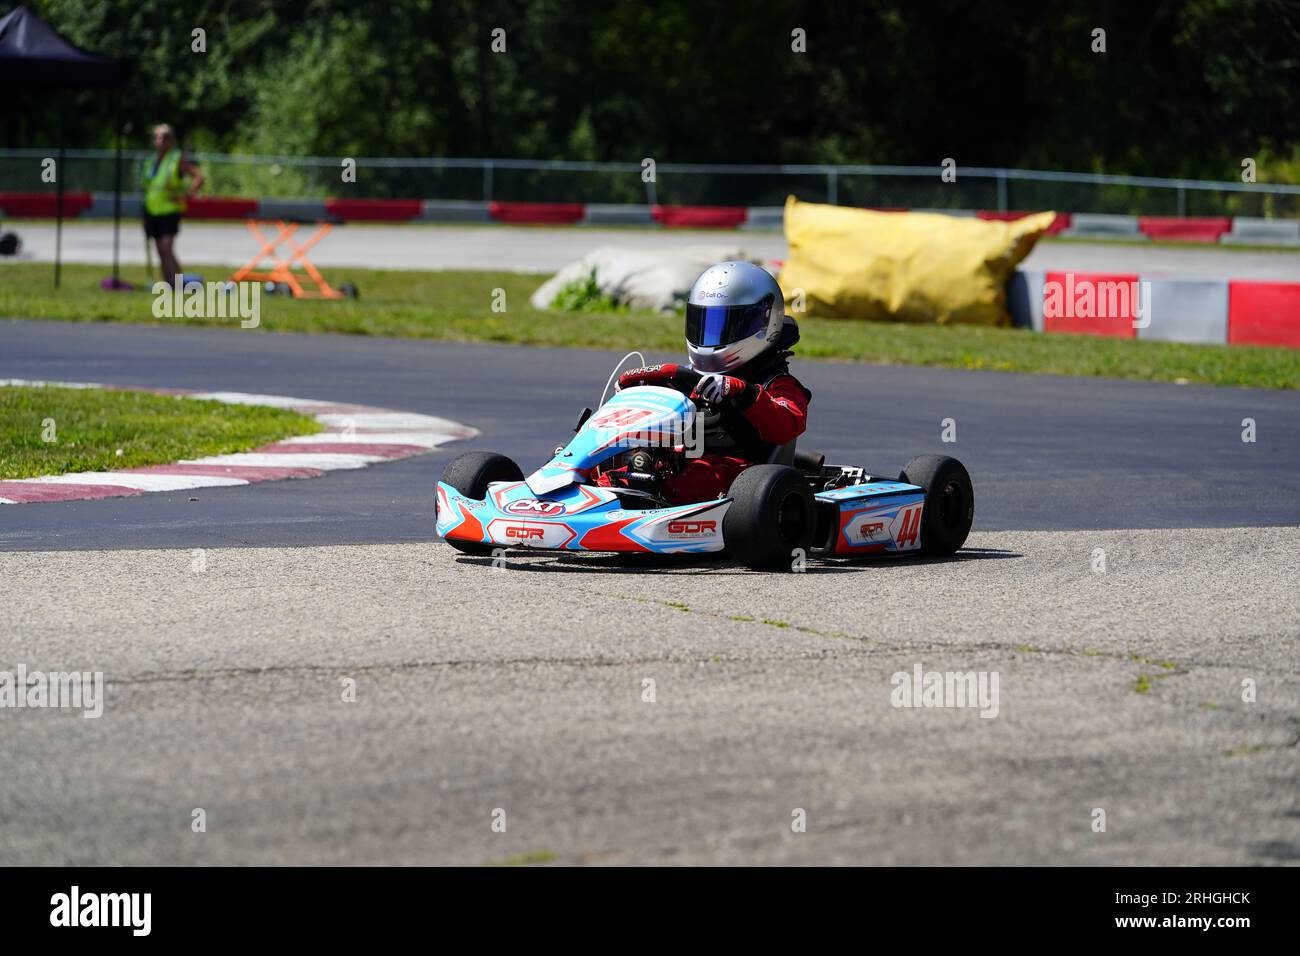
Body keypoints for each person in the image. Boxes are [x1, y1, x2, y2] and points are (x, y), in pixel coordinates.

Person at [608, 261, 811, 503]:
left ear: (764, 322)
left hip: (739, 476)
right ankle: (591, 487)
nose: (711, 335)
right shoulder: (687, 378)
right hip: (681, 461)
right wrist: (637, 396)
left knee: (695, 479)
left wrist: (744, 394)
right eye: (705, 324)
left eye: (725, 326)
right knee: (617, 467)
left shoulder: (777, 383)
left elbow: (786, 425)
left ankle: (649, 497)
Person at [141, 124, 204, 285]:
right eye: (158, 137)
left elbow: (199, 177)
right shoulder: (152, 160)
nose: (161, 141)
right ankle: (168, 282)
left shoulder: (176, 158)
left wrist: (186, 195)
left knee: (166, 248)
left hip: (169, 210)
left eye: (165, 137)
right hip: (152, 210)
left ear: (171, 140)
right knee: (160, 251)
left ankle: (177, 282)